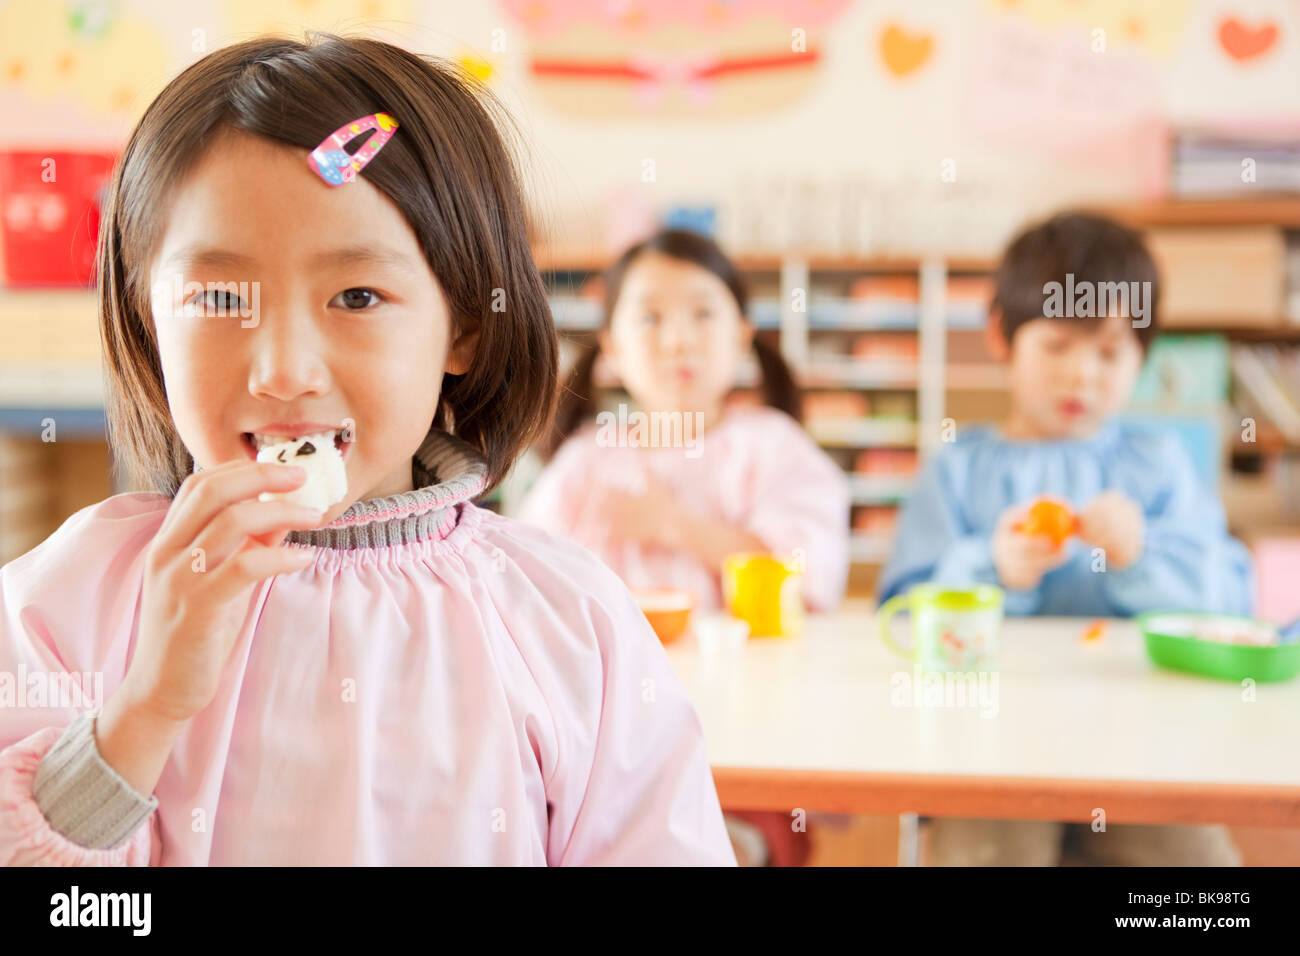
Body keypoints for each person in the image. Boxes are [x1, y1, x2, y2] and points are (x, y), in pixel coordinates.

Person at [0, 34, 734, 866]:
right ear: (145, 318)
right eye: (219, 296)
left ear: (462, 323)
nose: (283, 371)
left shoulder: (572, 623)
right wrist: (146, 710)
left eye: (356, 295)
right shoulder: (57, 607)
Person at [878, 211, 1252, 865]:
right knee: (984, 852)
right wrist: (990, 570)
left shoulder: (1158, 467)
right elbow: (903, 619)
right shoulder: (959, 471)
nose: (1082, 374)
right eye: (1057, 346)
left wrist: (1142, 555)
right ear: (1001, 336)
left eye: (1109, 352)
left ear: (1144, 354)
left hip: (1146, 753)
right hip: (990, 756)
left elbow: (1230, 614)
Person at [519, 228, 851, 865]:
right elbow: (528, 597)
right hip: (610, 743)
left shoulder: (772, 446)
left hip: (754, 732)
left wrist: (675, 527)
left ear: (743, 337)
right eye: (649, 318)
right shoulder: (585, 464)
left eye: (703, 313)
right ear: (612, 349)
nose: (678, 339)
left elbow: (805, 578)